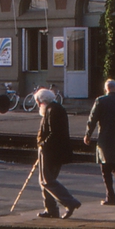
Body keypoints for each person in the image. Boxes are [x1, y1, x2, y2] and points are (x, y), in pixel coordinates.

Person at [34, 87, 81, 219]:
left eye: (37, 102)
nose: (37, 105)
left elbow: (54, 133)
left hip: (51, 151)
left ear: (42, 101)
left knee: (47, 181)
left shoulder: (52, 111)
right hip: (54, 150)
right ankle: (51, 210)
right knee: (44, 181)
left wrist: (43, 144)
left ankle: (70, 202)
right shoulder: (55, 109)